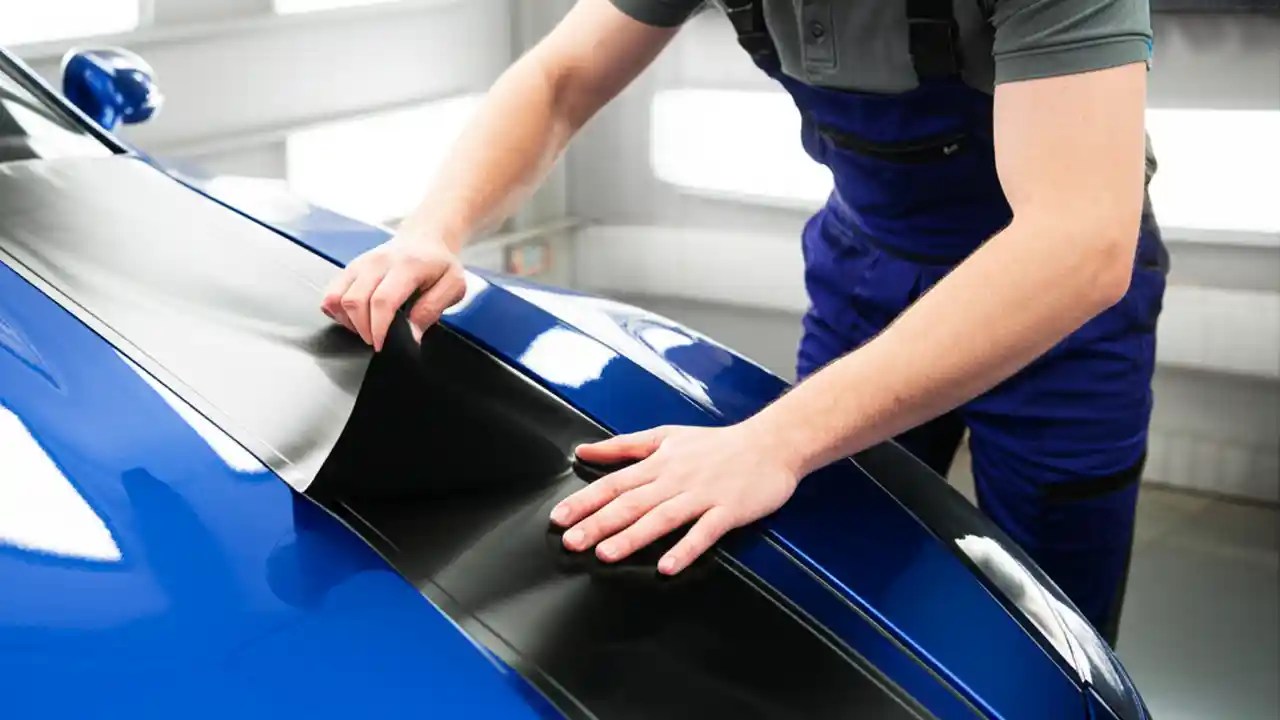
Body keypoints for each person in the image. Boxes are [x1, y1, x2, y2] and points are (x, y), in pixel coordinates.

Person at [321, 0, 1166, 645]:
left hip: (1067, 319)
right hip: (865, 274)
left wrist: (775, 440)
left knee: (1053, 623)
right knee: (836, 562)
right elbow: (559, 81)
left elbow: (1078, 243)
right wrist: (435, 227)